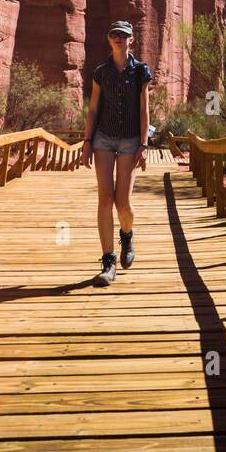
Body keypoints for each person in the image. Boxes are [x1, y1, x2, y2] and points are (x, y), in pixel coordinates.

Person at [82, 21, 153, 286]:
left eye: (123, 35)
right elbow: (92, 109)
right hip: (103, 138)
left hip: (130, 141)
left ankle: (127, 234)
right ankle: (108, 261)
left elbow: (144, 110)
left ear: (131, 40)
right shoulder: (101, 72)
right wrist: (87, 141)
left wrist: (144, 145)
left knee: (123, 203)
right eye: (114, 35)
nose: (119, 39)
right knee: (105, 199)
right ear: (109, 40)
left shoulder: (141, 72)